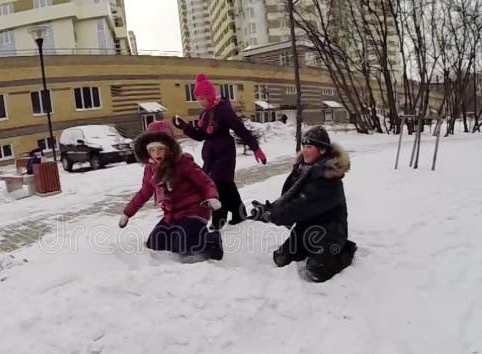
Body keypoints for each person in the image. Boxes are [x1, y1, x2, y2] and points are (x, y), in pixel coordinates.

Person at [249, 125, 357, 282]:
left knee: (317, 271)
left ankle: (345, 249)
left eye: (309, 147)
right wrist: (268, 209)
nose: (304, 151)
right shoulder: (303, 171)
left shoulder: (328, 178)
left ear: (322, 150)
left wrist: (272, 215)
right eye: (304, 146)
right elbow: (290, 198)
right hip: (306, 228)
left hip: (330, 231)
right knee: (281, 258)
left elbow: (300, 207)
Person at [172, 73, 268, 230]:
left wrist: (256, 148)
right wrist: (184, 126)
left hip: (224, 153)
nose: (200, 101)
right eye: (198, 99)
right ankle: (239, 213)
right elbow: (201, 136)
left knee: (217, 185)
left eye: (202, 98)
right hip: (210, 155)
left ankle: (218, 221)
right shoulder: (205, 114)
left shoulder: (223, 111)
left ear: (209, 95)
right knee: (226, 185)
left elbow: (240, 129)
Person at [119, 120, 224, 262]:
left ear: (169, 148)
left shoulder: (183, 163)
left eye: (160, 149)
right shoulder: (150, 169)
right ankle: (182, 237)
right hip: (172, 215)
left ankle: (210, 240)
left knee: (183, 245)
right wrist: (127, 213)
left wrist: (212, 197)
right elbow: (144, 192)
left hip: (194, 212)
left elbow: (206, 182)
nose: (156, 154)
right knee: (155, 243)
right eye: (152, 150)